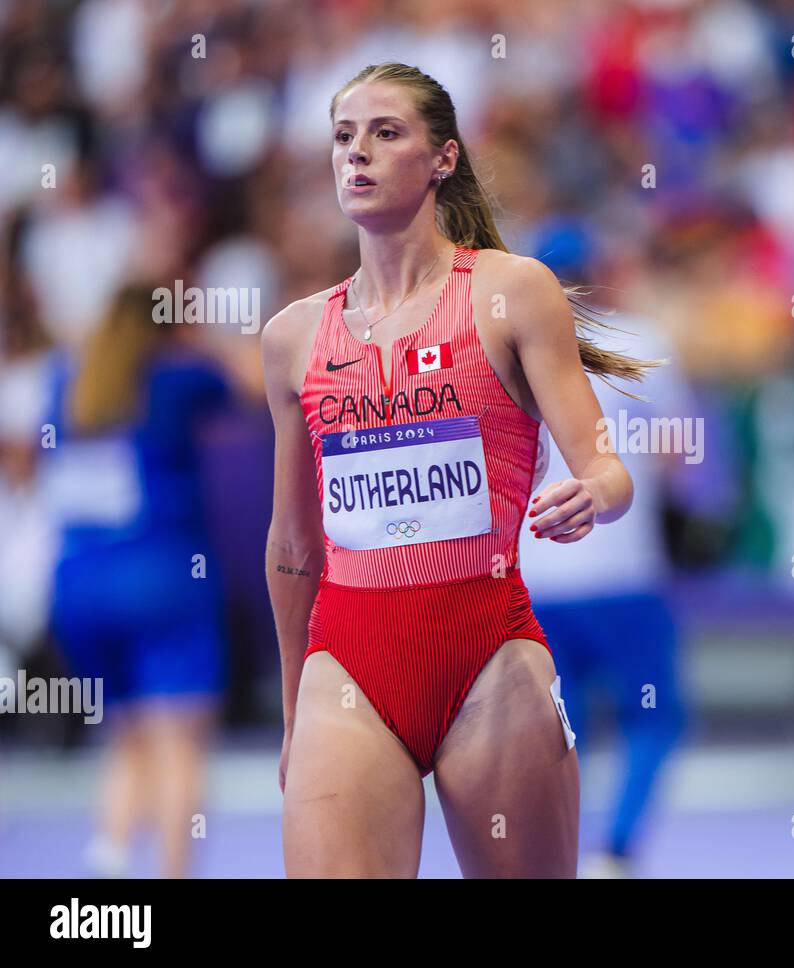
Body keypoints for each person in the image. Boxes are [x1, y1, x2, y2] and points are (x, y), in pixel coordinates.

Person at [262, 62, 651, 878]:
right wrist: (296, 713)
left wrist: (598, 495)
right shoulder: (294, 338)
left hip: (491, 656)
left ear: (443, 158)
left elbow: (605, 467)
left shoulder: (512, 293)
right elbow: (294, 544)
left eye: (385, 132)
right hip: (349, 662)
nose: (356, 154)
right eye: (342, 136)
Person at [44, 283, 233, 879]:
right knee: (178, 741)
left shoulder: (66, 382)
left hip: (78, 589)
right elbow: (250, 382)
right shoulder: (175, 377)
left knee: (127, 735)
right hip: (162, 579)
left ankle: (112, 854)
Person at [520, 314, 691, 878]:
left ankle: (560, 853)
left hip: (539, 573)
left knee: (563, 731)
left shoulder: (501, 337)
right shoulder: (642, 341)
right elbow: (675, 456)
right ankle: (615, 849)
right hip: (624, 572)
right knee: (655, 719)